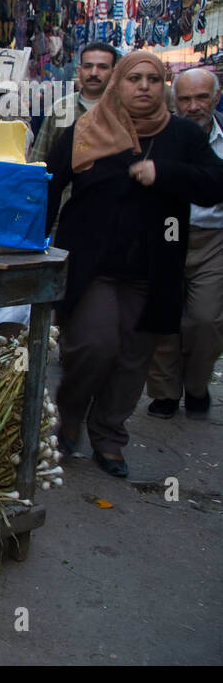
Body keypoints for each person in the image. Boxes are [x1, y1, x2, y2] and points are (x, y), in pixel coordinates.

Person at [44, 51, 223, 478]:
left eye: (153, 79)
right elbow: (49, 185)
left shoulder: (183, 137)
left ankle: (109, 435)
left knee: (132, 358)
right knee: (95, 344)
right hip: (92, 264)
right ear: (116, 86)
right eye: (133, 78)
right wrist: (35, 245)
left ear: (164, 87)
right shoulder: (85, 131)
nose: (143, 86)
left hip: (155, 265)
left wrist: (165, 173)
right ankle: (70, 412)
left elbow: (215, 184)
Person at [145, 67, 223, 419]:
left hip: (214, 238)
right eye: (186, 99)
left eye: (201, 97)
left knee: (205, 320)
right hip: (170, 228)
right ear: (174, 100)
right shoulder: (160, 134)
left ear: (216, 98)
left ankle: (195, 385)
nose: (193, 106)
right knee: (163, 312)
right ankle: (164, 393)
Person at [29, 41, 119, 164]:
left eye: (102, 67)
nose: (94, 73)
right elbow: (38, 159)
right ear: (79, 71)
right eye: (88, 66)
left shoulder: (123, 111)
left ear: (114, 73)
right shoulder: (61, 108)